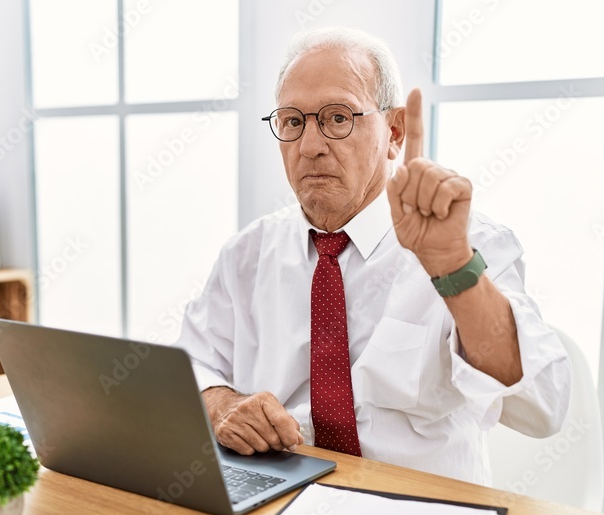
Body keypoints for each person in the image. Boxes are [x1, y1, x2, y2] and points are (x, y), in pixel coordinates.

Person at [176, 27, 570, 485]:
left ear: (394, 132)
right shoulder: (247, 252)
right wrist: (224, 404)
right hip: (276, 495)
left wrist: (452, 268)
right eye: (292, 121)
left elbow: (545, 405)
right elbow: (189, 364)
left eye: (338, 118)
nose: (310, 145)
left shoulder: (465, 241)